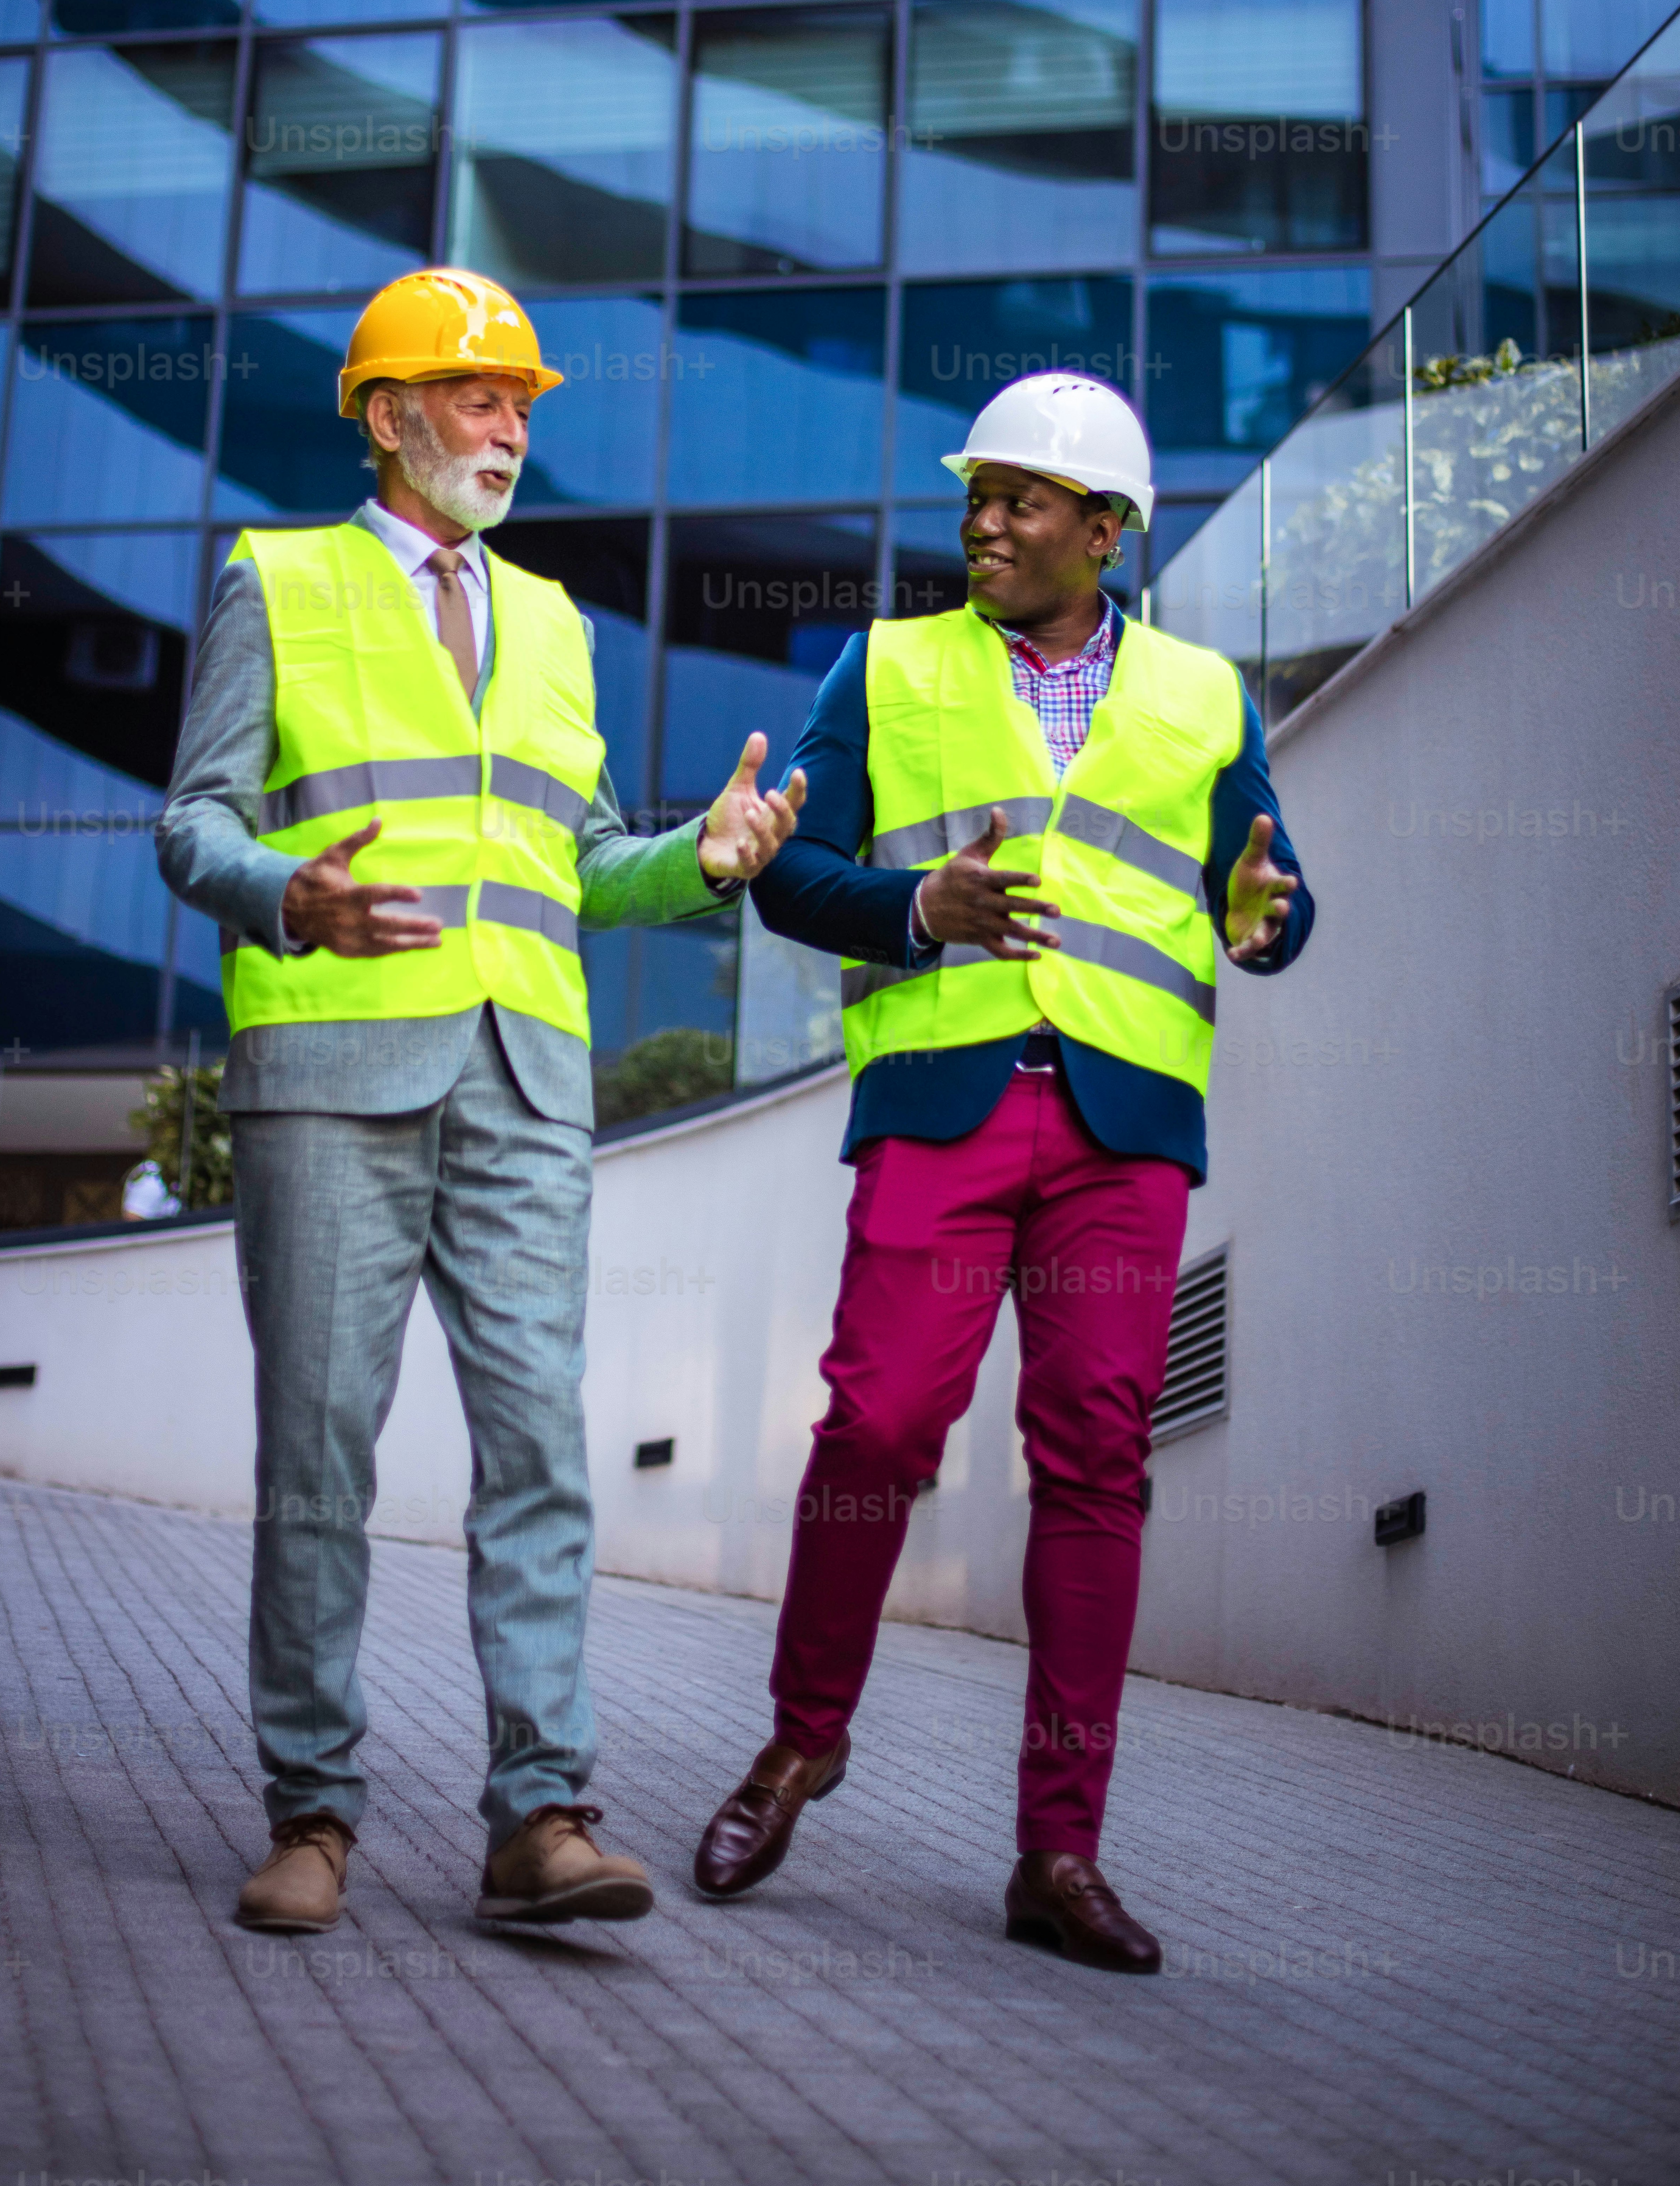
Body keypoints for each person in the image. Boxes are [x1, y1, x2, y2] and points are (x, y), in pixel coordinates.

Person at [156, 267, 803, 1937]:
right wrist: (288, 891)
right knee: (318, 1458)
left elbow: (577, 859)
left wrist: (703, 861)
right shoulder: (276, 581)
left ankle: (543, 1813)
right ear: (385, 414)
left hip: (525, 1077)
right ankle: (312, 1811)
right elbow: (194, 822)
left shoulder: (562, 621)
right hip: (331, 1077)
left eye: (522, 401)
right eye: (475, 394)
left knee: (538, 1449)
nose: (511, 425)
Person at [691, 373, 1314, 1972]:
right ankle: (799, 1741)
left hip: (1121, 1131)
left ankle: (1059, 1844)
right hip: (945, 1106)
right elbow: (793, 879)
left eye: (1021, 499)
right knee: (878, 1418)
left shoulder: (1201, 694)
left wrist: (1267, 912)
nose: (982, 520)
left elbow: (1267, 899)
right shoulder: (886, 664)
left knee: (1095, 1460)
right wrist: (918, 911)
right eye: (976, 495)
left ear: (1102, 531)